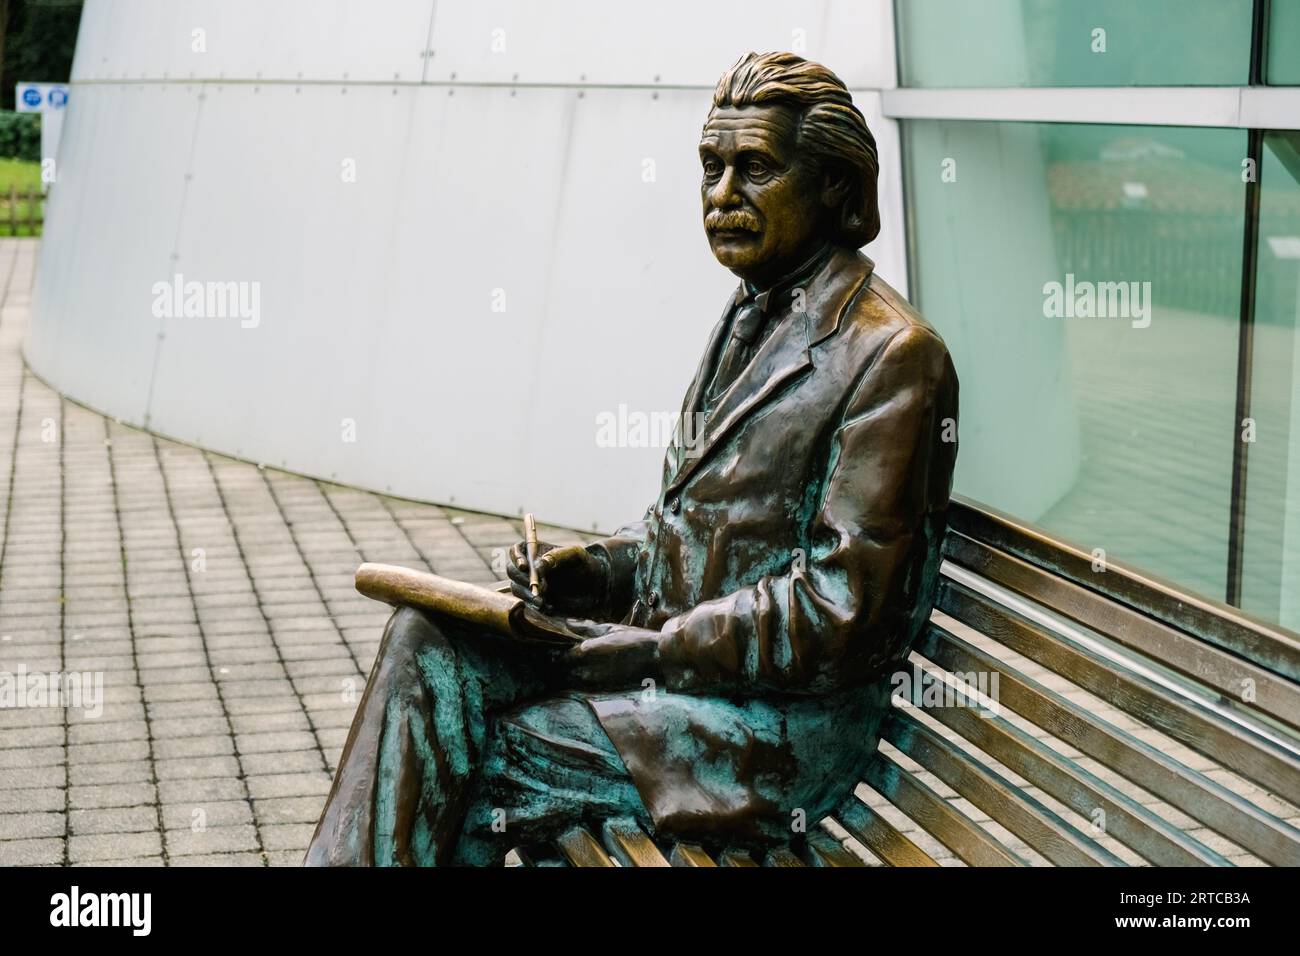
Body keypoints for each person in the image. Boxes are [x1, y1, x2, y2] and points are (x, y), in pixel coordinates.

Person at [305, 50, 959, 866]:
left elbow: (842, 610)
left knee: (484, 754)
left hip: (780, 729)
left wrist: (656, 650)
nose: (722, 196)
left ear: (832, 185)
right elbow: (689, 528)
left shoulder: (893, 356)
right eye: (711, 168)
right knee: (424, 644)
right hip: (685, 676)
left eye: (756, 169)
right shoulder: (752, 309)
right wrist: (601, 571)